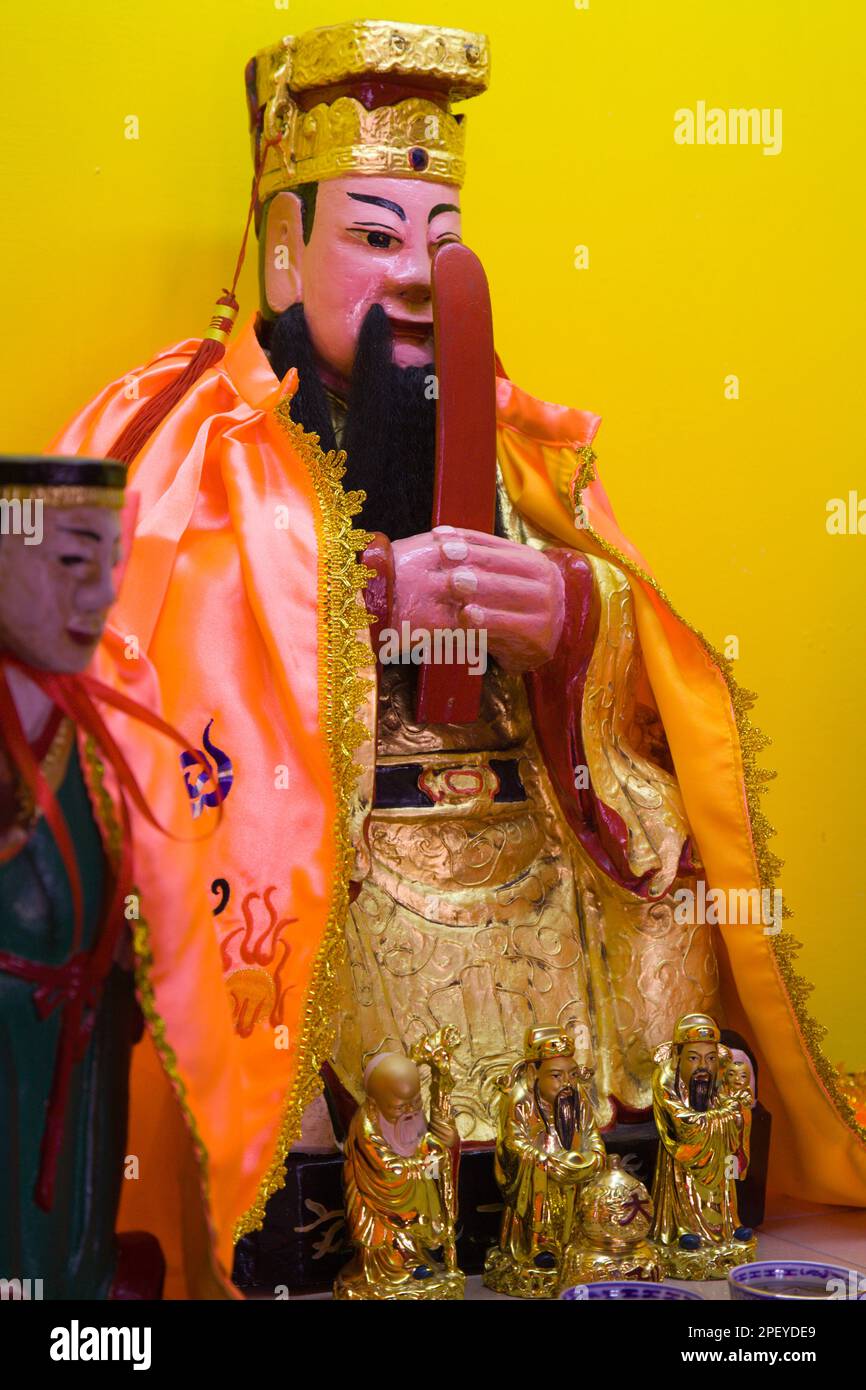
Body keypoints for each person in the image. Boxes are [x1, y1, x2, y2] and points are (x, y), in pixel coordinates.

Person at [48, 20, 866, 1288]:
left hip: (519, 831)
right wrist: (355, 598)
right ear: (281, 253)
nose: (421, 277)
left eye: (442, 239)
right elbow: (138, 653)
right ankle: (346, 1194)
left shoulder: (510, 439)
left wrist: (570, 620)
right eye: (375, 237)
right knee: (289, 941)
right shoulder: (187, 433)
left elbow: (638, 639)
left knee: (660, 866)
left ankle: (632, 1155)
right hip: (337, 849)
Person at [484, 1026, 605, 1297]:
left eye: (572, 1074)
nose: (567, 1083)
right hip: (540, 1176)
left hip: (573, 1171)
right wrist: (547, 1162)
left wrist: (593, 1158)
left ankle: (576, 1241)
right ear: (533, 1073)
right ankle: (539, 1247)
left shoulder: (578, 1097)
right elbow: (513, 1144)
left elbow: (591, 1135)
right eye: (556, 1076)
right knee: (539, 1174)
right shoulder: (519, 1100)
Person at [335, 1049, 462, 1300]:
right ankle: (392, 1271)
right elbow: (385, 1171)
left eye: (415, 1102)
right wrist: (421, 1165)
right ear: (374, 1103)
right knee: (386, 1239)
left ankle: (413, 1259)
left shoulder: (411, 1116)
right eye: (400, 1106)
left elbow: (425, 1144)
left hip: (411, 1201)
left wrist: (443, 1145)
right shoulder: (364, 1125)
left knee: (410, 1232)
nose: (410, 1110)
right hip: (377, 1201)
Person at [650, 1013, 756, 1278]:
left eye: (709, 1058)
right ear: (678, 1055)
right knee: (685, 1179)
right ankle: (684, 1229)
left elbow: (729, 1106)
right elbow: (683, 1122)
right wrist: (723, 1116)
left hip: (718, 1151)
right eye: (694, 1058)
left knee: (725, 1171)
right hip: (685, 1154)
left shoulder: (717, 1074)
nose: (703, 1066)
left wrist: (736, 1113)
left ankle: (730, 1225)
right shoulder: (665, 1078)